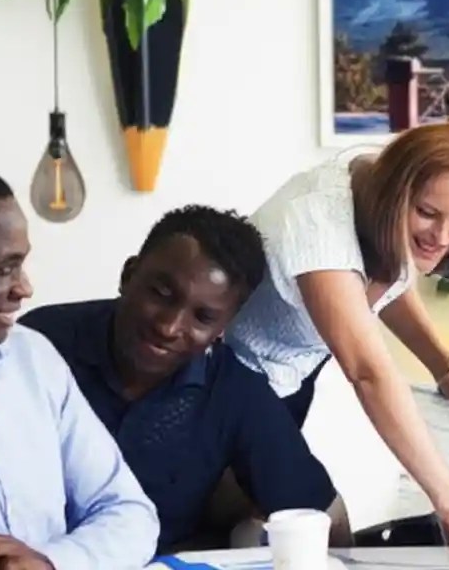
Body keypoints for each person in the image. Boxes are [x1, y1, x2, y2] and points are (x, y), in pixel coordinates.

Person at [225, 122, 449, 546]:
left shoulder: (380, 211)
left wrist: (443, 367)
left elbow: (389, 285)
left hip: (288, 378)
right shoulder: (320, 225)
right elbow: (367, 372)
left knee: (262, 517)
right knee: (324, 525)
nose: (442, 235)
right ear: (396, 195)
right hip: (228, 377)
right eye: (428, 213)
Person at [19, 205, 351, 554]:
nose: (169, 327)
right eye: (161, 294)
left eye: (203, 317)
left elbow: (322, 517)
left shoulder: (235, 392)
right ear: (129, 274)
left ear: (224, 327)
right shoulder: (39, 344)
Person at [0, 157, 159, 569]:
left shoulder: (32, 358)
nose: (25, 288)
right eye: (5, 269)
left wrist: (50, 564)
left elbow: (129, 513)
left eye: (22, 263)